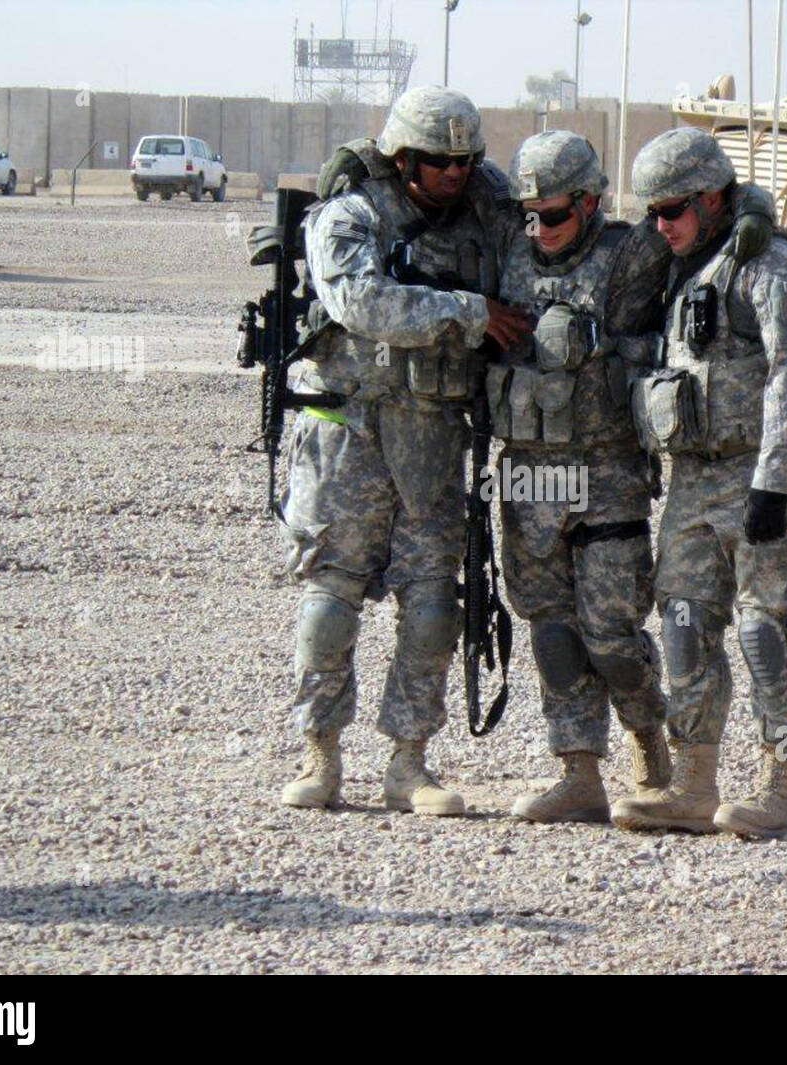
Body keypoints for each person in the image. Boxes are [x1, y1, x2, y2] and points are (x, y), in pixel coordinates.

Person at [278, 85, 530, 817]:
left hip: (432, 430)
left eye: (464, 161)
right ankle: (319, 753)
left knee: (433, 606)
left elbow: (545, 250)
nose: (452, 175)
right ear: (400, 158)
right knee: (332, 597)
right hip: (347, 431)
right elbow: (362, 304)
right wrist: (469, 313)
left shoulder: (485, 212)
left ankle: (408, 761)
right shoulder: (349, 215)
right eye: (435, 162)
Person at [610, 127, 787, 838]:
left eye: (672, 209)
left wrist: (772, 481)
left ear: (711, 197)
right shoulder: (685, 265)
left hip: (763, 475)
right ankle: (695, 781)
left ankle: (779, 786)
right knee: (681, 621)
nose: (660, 225)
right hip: (695, 480)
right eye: (651, 212)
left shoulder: (769, 265)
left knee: (768, 632)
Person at [491, 131, 673, 823]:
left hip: (606, 472)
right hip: (531, 473)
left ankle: (648, 735)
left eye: (555, 215)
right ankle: (578, 772)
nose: (539, 229)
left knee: (612, 635)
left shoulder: (632, 254)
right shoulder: (507, 251)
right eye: (529, 214)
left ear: (592, 202)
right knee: (553, 630)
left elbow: (705, 224)